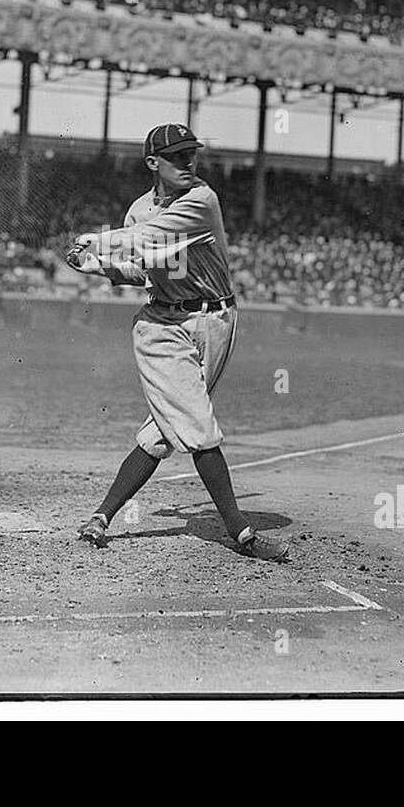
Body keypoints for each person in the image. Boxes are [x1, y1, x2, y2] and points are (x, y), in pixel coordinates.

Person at [65, 123, 289, 561]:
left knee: (162, 431)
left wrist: (97, 241)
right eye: (177, 157)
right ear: (153, 163)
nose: (188, 163)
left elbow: (148, 241)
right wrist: (102, 269)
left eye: (192, 154)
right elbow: (147, 272)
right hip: (162, 327)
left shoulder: (201, 201)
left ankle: (101, 516)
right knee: (198, 424)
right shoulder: (138, 210)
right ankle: (242, 533)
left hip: (217, 321)